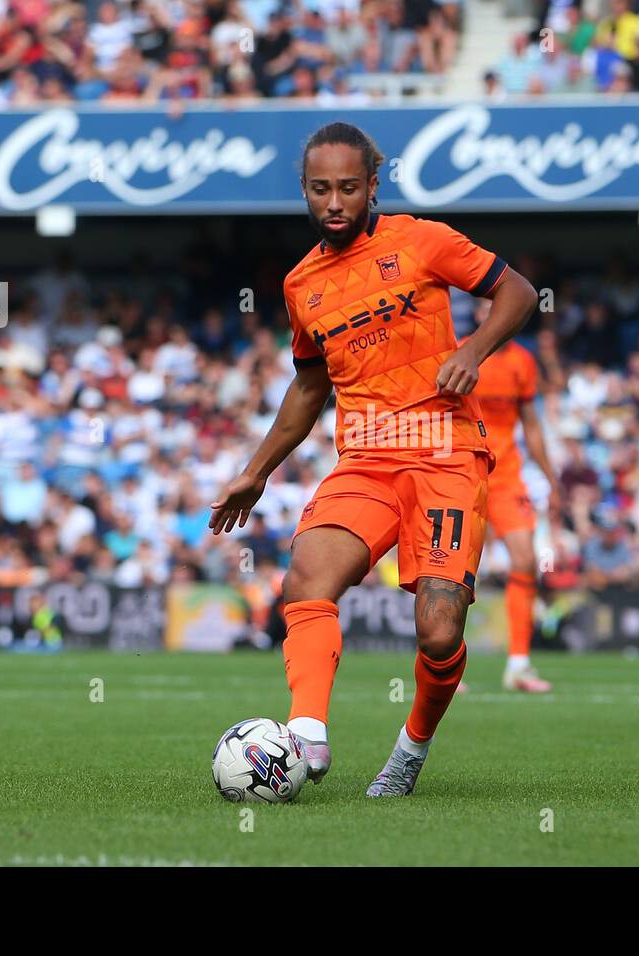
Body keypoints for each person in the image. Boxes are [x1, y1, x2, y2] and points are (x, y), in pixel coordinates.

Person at [209, 122, 538, 797]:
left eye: (349, 188)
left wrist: (471, 352)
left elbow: (519, 293)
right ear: (304, 190)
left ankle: (410, 753)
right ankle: (306, 737)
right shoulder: (302, 284)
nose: (335, 202)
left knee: (440, 632)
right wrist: (257, 468)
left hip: (446, 453)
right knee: (305, 581)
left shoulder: (423, 240)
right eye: (322, 189)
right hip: (366, 459)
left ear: (372, 188)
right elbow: (308, 388)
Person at [464, 298, 556, 692]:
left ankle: (518, 664)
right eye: (488, 306)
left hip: (508, 478)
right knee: (454, 571)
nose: (495, 312)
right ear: (480, 314)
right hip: (464, 473)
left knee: (525, 559)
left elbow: (531, 424)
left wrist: (552, 475)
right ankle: (441, 669)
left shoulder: (523, 362)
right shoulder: (461, 351)